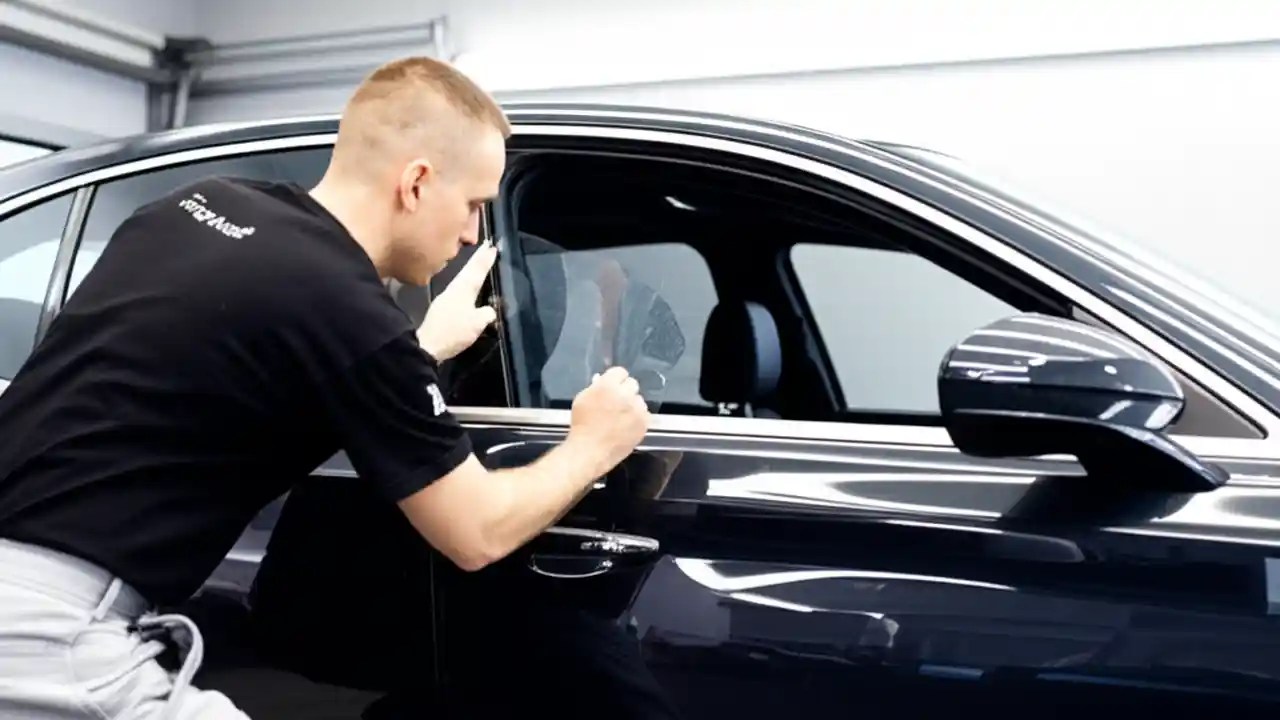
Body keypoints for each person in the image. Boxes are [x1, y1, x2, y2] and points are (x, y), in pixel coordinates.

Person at [0, 55, 650, 719]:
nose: (469, 234)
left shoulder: (197, 206)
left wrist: (419, 350)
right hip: (49, 634)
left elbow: (248, 365)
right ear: (417, 183)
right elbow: (477, 531)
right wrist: (595, 444)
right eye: (474, 205)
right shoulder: (350, 312)